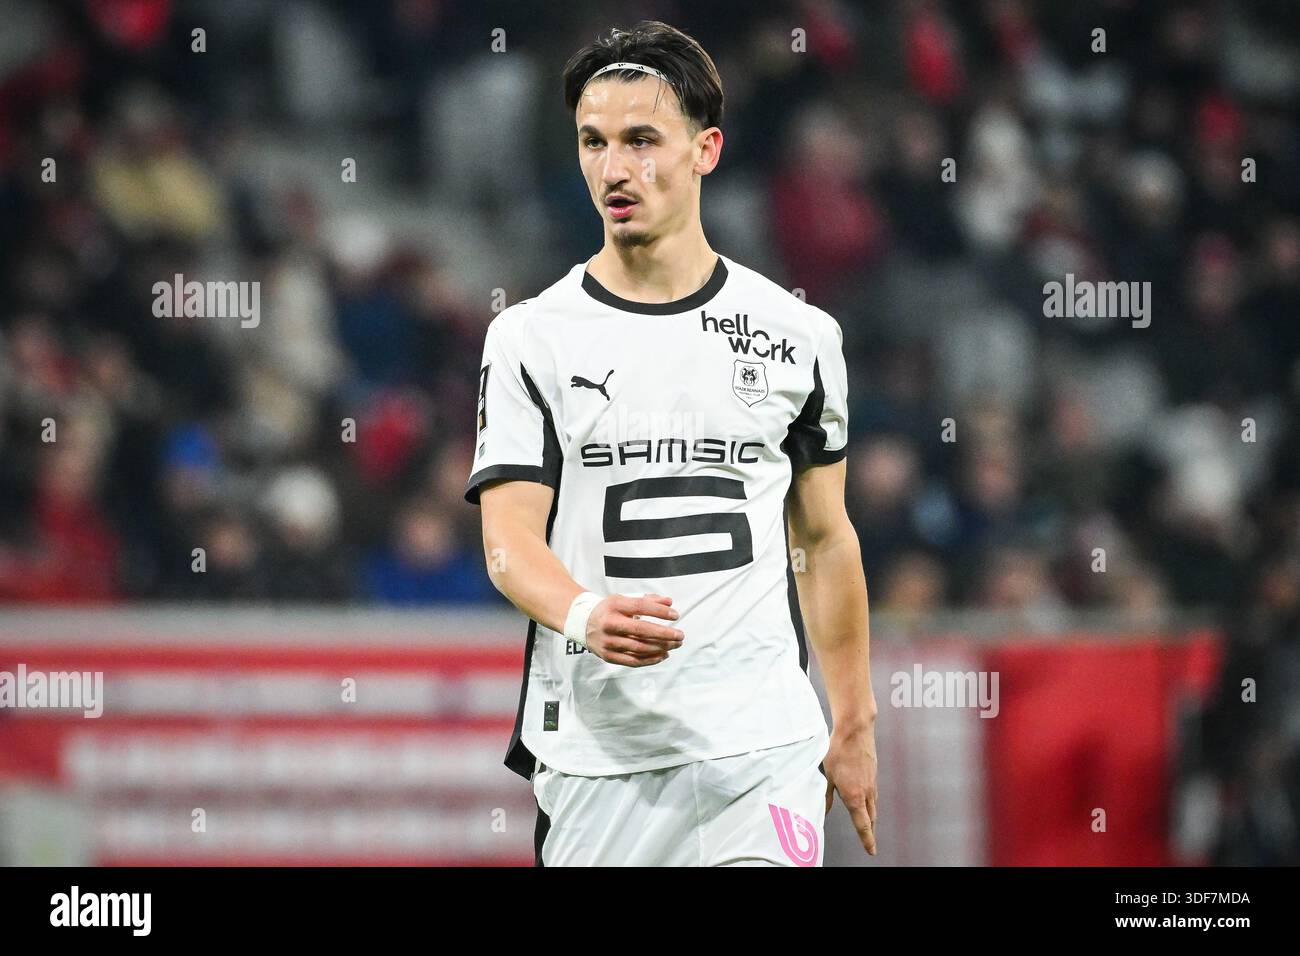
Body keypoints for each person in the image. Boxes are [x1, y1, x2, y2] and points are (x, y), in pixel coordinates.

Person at [464, 20, 877, 866]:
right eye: (594, 142)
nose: (614, 169)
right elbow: (507, 543)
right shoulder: (529, 339)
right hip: (598, 754)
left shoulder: (797, 334)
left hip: (760, 748)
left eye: (642, 140)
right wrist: (584, 613)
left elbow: (825, 536)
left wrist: (854, 720)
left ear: (706, 150)